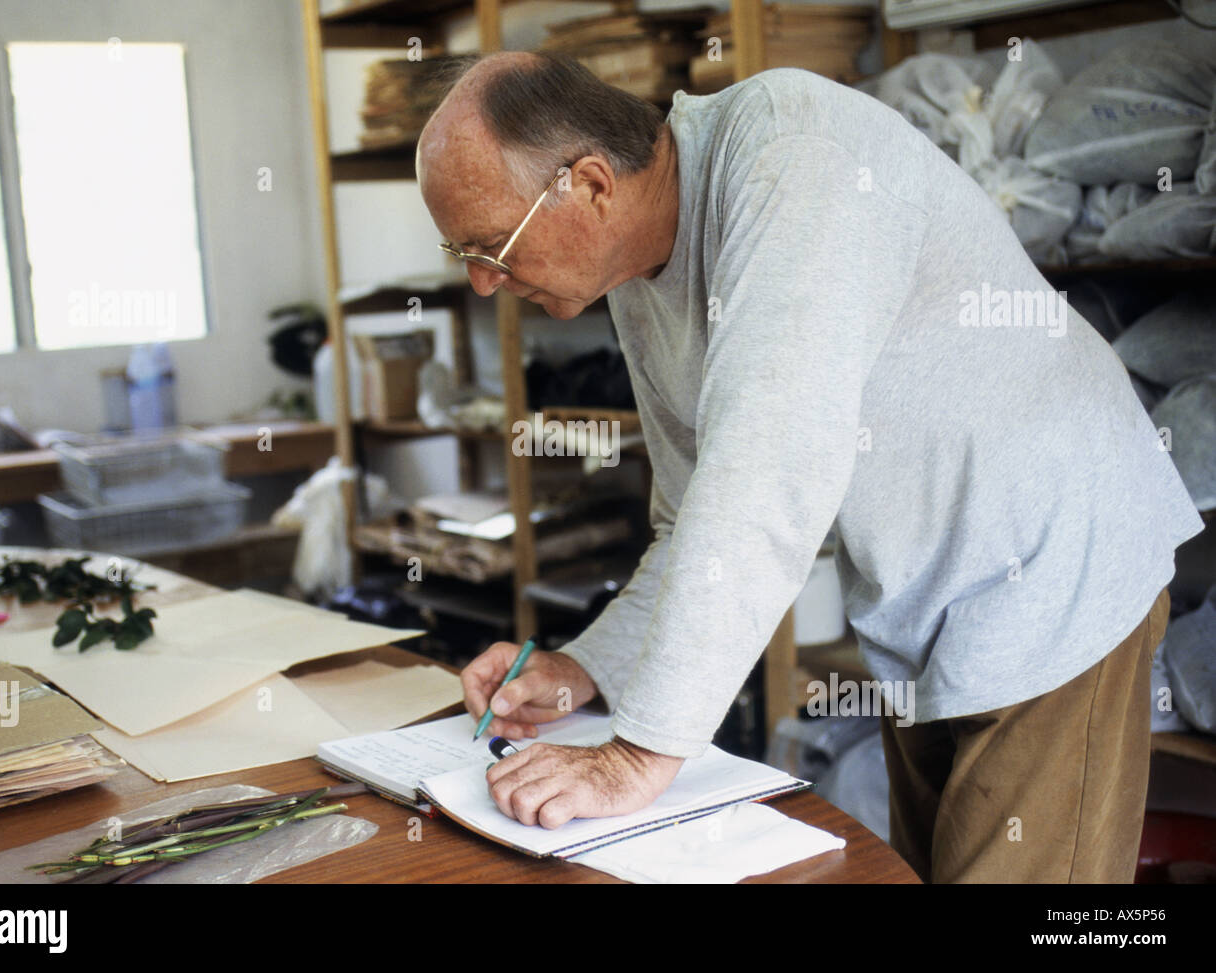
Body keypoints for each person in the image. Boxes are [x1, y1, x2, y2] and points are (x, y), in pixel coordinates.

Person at [415, 51, 1204, 882]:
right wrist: (586, 667)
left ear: (590, 185)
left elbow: (767, 475)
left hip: (1052, 556)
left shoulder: (796, 156)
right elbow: (696, 520)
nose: (478, 281)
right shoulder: (638, 273)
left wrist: (638, 755)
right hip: (927, 590)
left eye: (489, 246)